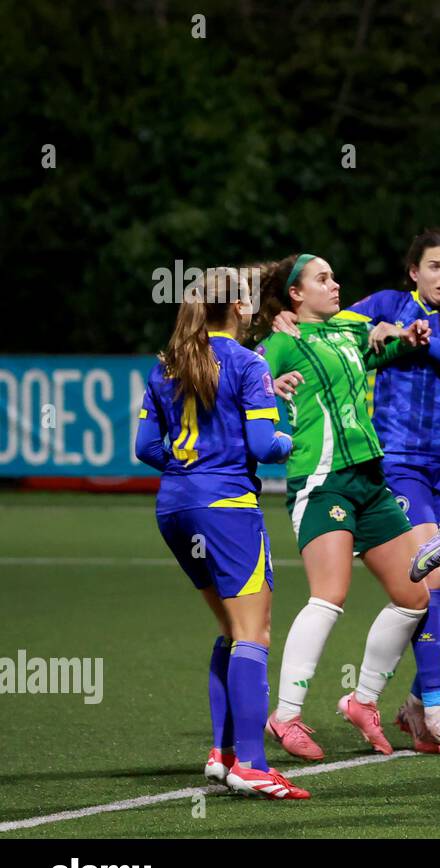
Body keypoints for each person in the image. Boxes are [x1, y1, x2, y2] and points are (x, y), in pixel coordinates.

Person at [269, 229, 440, 755]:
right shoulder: (382, 306)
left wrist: (417, 337)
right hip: (395, 464)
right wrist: (283, 321)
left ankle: (415, 704)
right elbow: (321, 327)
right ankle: (435, 707)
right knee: (431, 577)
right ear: (413, 272)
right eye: (435, 267)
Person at [254, 252, 436, 761]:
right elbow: (239, 384)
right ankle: (285, 715)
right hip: (322, 480)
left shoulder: (348, 331)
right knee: (329, 595)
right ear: (294, 294)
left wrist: (407, 338)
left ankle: (363, 701)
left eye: (335, 276)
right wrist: (270, 384)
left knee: (415, 596)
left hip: (370, 480)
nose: (335, 285)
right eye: (322, 279)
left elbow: (378, 346)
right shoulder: (281, 342)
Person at [135, 266, 308, 799]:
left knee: (235, 630)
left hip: (175, 507)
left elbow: (146, 448)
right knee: (254, 633)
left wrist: (192, 464)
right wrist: (288, 434)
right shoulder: (247, 362)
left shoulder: (169, 363)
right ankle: (251, 764)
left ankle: (224, 753)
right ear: (237, 307)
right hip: (228, 507)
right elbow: (262, 446)